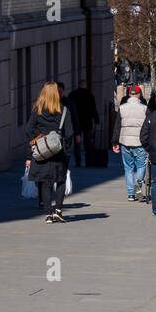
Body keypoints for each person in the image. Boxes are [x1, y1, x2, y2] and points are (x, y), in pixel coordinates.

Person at [24, 81, 73, 223]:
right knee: (60, 180)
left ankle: (48, 214)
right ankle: (58, 210)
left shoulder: (38, 110)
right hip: (58, 151)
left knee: (45, 182)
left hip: (42, 151)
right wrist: (67, 148)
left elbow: (28, 129)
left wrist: (37, 140)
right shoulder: (64, 110)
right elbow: (69, 133)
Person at [112, 85, 149, 201]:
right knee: (141, 165)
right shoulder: (144, 108)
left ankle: (131, 194)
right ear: (139, 94)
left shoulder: (122, 108)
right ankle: (138, 183)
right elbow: (148, 127)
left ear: (129, 94)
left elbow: (117, 126)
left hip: (125, 142)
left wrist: (115, 142)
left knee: (128, 168)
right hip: (140, 142)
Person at [68, 81, 98, 167]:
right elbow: (93, 108)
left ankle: (78, 161)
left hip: (76, 122)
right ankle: (88, 161)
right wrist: (96, 119)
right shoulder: (89, 95)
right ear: (85, 86)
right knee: (87, 142)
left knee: (77, 142)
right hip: (87, 122)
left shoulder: (73, 94)